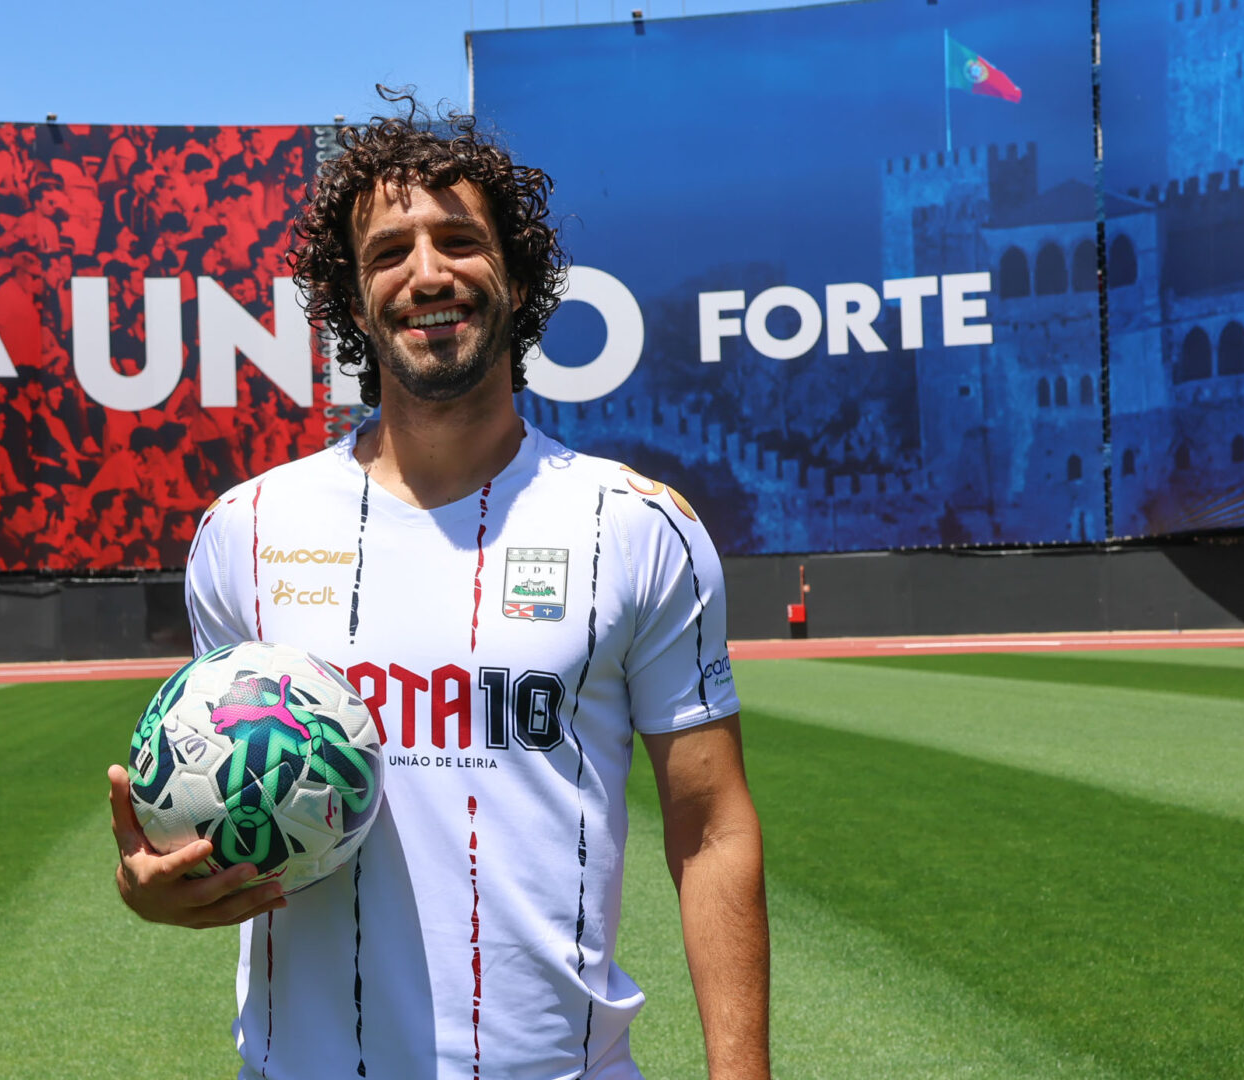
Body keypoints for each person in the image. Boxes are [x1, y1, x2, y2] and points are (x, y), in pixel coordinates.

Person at [107, 96, 770, 1079]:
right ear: (350, 297)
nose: (427, 273)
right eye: (387, 252)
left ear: (519, 274)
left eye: (459, 238)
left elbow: (712, 828)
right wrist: (155, 884)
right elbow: (223, 791)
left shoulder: (634, 526)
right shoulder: (244, 532)